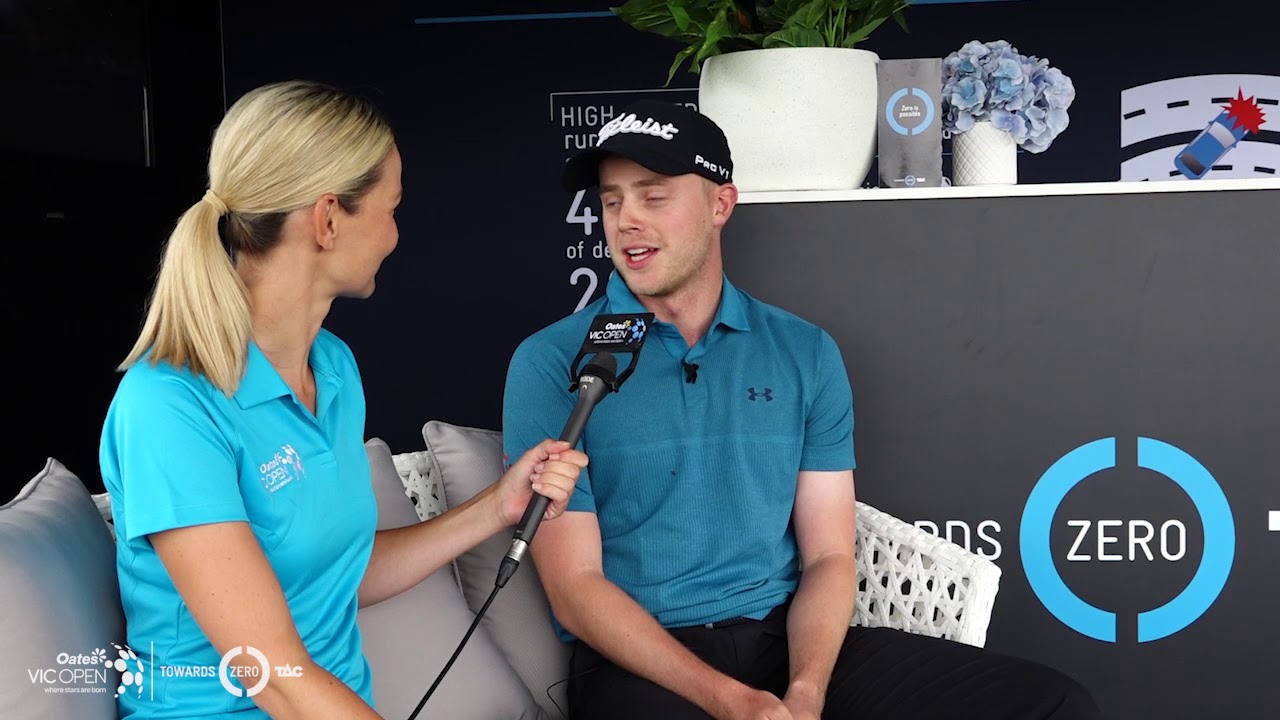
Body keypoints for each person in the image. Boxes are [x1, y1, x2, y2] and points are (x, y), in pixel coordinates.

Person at [501, 99, 1102, 720]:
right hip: (642, 662)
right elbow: (575, 590)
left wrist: (807, 693)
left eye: (653, 197)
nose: (626, 220)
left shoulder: (803, 352)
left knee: (1056, 705)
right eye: (611, 200)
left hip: (785, 645)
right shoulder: (553, 364)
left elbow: (829, 557)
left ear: (720, 205)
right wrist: (734, 703)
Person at [99, 80, 588, 720]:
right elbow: (275, 678)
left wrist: (498, 507)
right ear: (328, 219)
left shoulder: (331, 367)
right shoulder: (166, 406)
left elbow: (339, 574)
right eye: (391, 208)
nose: (394, 234)